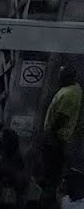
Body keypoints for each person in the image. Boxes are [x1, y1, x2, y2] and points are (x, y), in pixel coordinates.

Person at [43, 65, 82, 193]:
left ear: (69, 77)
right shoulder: (70, 89)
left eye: (62, 75)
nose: (59, 77)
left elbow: (62, 117)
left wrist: (50, 133)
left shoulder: (70, 93)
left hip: (57, 138)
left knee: (51, 172)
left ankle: (49, 197)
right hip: (57, 138)